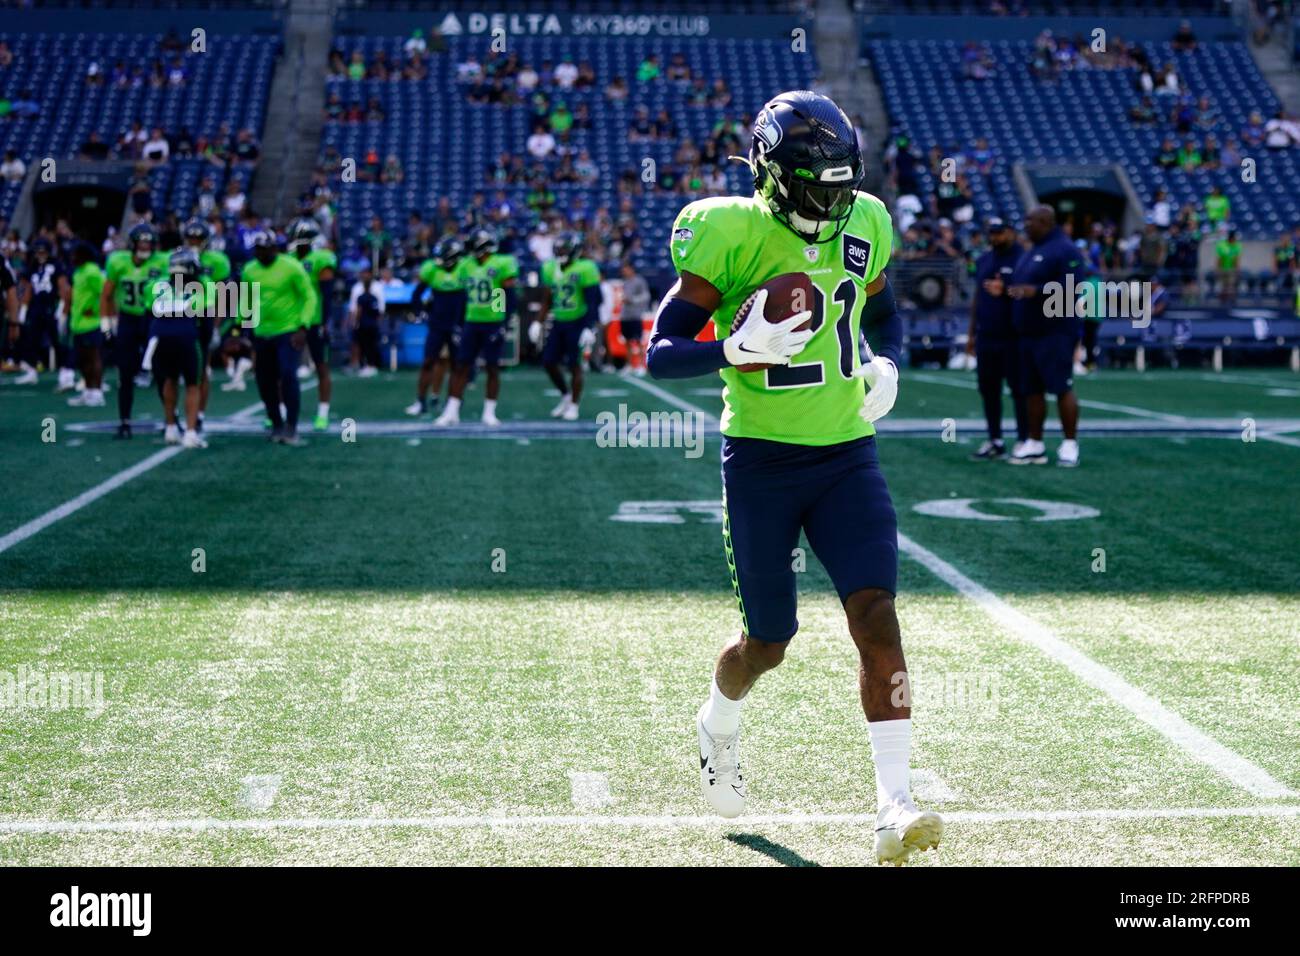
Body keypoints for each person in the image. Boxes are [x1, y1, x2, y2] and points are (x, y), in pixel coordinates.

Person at [644, 90, 940, 865]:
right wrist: (733, 350)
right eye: (818, 187)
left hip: (847, 453)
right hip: (763, 463)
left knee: (876, 615)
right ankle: (718, 724)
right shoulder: (730, 231)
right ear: (772, 176)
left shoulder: (867, 220)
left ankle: (894, 800)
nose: (833, 202)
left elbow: (883, 308)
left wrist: (886, 358)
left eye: (842, 185)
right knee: (767, 642)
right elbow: (659, 352)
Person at [1005, 205, 1085, 467]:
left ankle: (1070, 443)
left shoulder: (1065, 249)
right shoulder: (1033, 250)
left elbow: (1073, 287)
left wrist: (1035, 291)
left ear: (1045, 222)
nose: (1026, 226)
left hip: (1055, 331)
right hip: (1028, 332)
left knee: (1061, 387)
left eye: (1030, 221)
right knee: (1031, 389)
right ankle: (1035, 441)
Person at [434, 229, 519, 427]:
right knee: (461, 365)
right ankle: (452, 411)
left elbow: (505, 293)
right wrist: (459, 323)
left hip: (492, 322)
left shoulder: (500, 263)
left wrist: (502, 322)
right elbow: (463, 296)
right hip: (472, 321)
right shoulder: (466, 265)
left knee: (492, 367)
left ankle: (489, 412)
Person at [241, 229, 315, 444]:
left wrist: (303, 326)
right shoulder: (250, 269)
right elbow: (245, 299)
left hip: (287, 330)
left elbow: (309, 296)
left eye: (264, 250)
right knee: (264, 380)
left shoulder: (291, 266)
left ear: (274, 248)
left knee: (288, 375)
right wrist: (242, 329)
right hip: (261, 332)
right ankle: (276, 423)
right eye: (257, 250)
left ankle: (291, 425)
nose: (260, 254)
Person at [965, 218, 1027, 460]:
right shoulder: (984, 259)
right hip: (987, 336)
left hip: (1014, 336)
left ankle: (1024, 439)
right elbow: (977, 299)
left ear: (1011, 232)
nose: (995, 237)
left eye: (999, 233)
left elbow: (1034, 294)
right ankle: (995, 439)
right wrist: (972, 334)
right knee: (988, 389)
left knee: (1019, 390)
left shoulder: (1024, 259)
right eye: (992, 233)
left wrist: (1007, 290)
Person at [101, 222, 167, 439]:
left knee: (161, 371)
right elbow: (107, 295)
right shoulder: (118, 261)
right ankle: (125, 422)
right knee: (125, 373)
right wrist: (107, 326)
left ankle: (171, 420)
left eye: (149, 242)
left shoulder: (163, 261)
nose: (146, 246)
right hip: (128, 319)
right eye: (142, 241)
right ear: (132, 243)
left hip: (152, 317)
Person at [536, 232, 602, 421]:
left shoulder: (586, 267)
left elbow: (593, 301)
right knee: (548, 361)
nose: (561, 251)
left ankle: (574, 404)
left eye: (564, 248)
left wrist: (590, 327)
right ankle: (566, 396)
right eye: (559, 248)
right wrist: (537, 322)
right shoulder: (550, 268)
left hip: (578, 320)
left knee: (574, 365)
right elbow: (547, 298)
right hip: (558, 320)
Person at [146, 249, 208, 448]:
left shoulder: (157, 286)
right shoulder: (202, 285)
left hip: (159, 335)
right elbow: (205, 314)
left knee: (169, 379)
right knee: (192, 384)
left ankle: (171, 428)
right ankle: (190, 433)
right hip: (185, 334)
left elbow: (149, 308)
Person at [405, 236, 467, 418]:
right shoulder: (432, 269)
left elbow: (497, 291)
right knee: (428, 362)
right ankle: (420, 401)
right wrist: (420, 313)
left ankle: (454, 403)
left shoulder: (465, 268)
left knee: (458, 366)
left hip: (458, 324)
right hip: (437, 324)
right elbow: (416, 294)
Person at [287, 217, 337, 429]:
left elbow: (327, 294)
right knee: (285, 369)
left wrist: (326, 322)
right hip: (291, 321)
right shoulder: (287, 259)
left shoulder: (321, 258)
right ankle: (281, 410)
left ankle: (323, 412)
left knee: (321, 366)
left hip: (315, 320)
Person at [181, 218, 230, 433]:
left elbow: (222, 295)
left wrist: (217, 325)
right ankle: (175, 419)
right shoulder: (176, 257)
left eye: (198, 238)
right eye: (191, 237)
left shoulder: (216, 261)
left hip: (205, 317)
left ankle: (198, 414)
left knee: (202, 369)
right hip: (180, 317)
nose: (194, 241)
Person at [16, 238, 71, 388]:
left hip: (51, 307)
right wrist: (24, 309)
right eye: (38, 251)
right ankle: (32, 370)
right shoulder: (32, 267)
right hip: (36, 308)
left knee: (57, 340)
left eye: (43, 251)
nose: (40, 254)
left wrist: (61, 308)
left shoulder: (56, 265)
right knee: (32, 339)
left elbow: (63, 287)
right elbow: (28, 289)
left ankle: (64, 372)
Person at [65, 244, 106, 407]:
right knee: (83, 360)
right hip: (78, 323)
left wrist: (96, 311)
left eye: (75, 254)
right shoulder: (78, 272)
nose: (72, 258)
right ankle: (88, 391)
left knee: (93, 357)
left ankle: (97, 392)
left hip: (91, 323)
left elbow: (104, 293)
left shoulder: (92, 271)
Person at [347, 265, 385, 378]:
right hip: (365, 323)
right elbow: (354, 308)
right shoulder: (357, 290)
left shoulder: (376, 290)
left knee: (370, 345)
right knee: (361, 344)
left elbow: (379, 309)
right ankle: (360, 364)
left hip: (368, 323)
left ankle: (370, 365)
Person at [619, 260, 650, 376]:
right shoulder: (625, 282)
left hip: (635, 315)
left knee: (638, 341)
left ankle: (641, 365)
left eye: (626, 268)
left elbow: (645, 296)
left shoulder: (639, 281)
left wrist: (631, 300)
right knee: (626, 342)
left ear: (631, 269)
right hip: (625, 315)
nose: (623, 271)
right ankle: (629, 365)